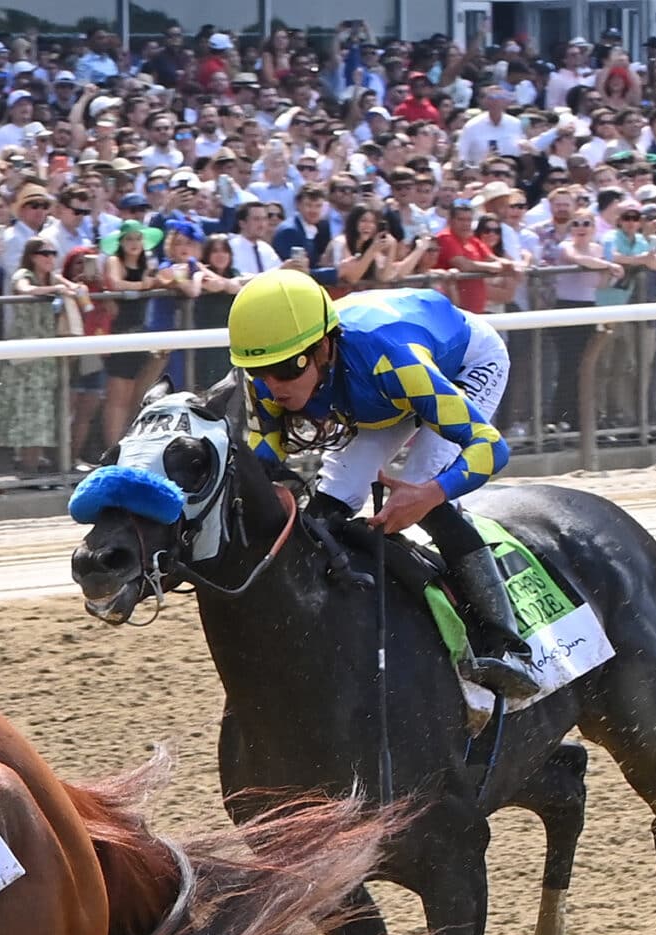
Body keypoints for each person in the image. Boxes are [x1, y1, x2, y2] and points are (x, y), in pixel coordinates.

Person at [227, 268, 539, 701]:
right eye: (258, 372)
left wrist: (430, 494)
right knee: (328, 505)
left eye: (283, 370)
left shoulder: (393, 361)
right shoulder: (271, 370)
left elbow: (491, 447)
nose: (272, 385)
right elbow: (265, 458)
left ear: (321, 348)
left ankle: (508, 646)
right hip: (373, 393)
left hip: (458, 364)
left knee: (421, 488)